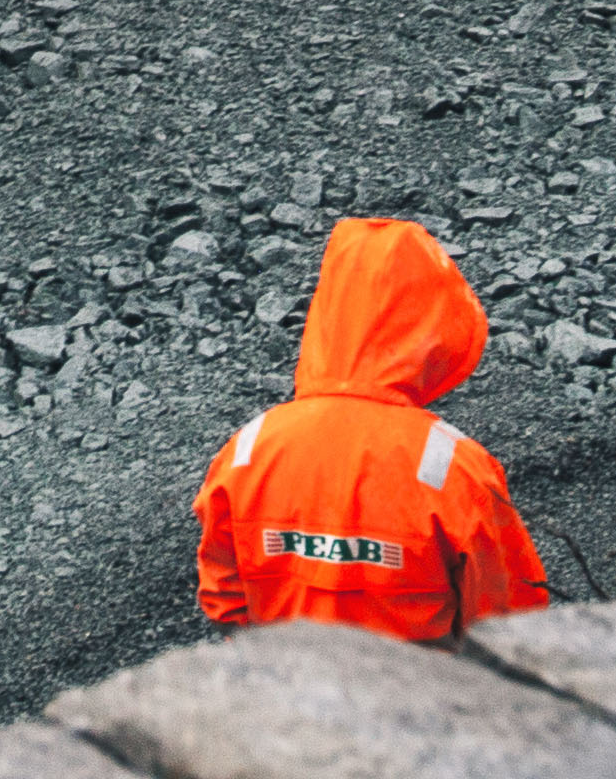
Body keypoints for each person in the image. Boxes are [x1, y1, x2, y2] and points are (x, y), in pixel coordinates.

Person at [190, 217, 551, 641]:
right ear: (432, 326)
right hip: (416, 700)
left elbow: (223, 596)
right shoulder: (453, 467)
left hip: (283, 693)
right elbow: (508, 618)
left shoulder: (249, 449)